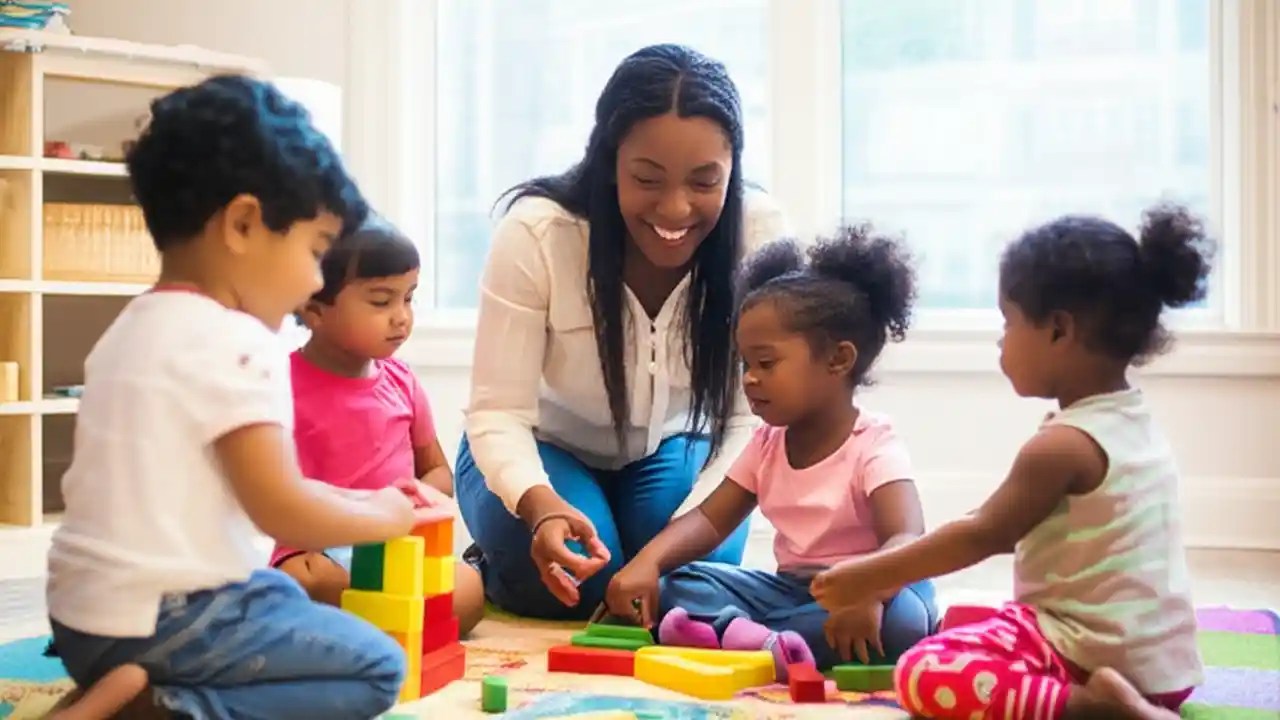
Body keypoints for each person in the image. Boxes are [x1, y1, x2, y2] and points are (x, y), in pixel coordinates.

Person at [46, 75, 417, 720]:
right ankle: (174, 709)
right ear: (244, 224)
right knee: (377, 665)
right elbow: (282, 510)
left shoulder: (130, 328)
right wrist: (386, 518)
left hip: (83, 621)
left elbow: (263, 490)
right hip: (167, 619)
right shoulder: (238, 344)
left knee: (279, 596)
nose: (312, 281)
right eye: (314, 252)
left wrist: (361, 498)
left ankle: (119, 691)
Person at [810, 204, 1214, 720]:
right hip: (1166, 672)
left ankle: (1089, 706)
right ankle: (1121, 702)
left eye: (1009, 322)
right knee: (970, 620)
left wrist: (865, 576)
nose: (1002, 341)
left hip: (1089, 655)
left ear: (1059, 331)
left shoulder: (1062, 446)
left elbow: (981, 534)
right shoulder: (1134, 422)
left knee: (922, 669)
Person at [456, 43, 790, 619]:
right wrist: (541, 508)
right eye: (647, 178)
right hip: (542, 451)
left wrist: (662, 556)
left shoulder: (759, 234)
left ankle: (631, 549)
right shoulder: (539, 233)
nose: (676, 208)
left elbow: (750, 424)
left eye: (704, 181)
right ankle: (494, 559)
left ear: (733, 167)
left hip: (672, 446)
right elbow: (498, 413)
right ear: (609, 161)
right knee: (581, 585)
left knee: (685, 585)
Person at [604, 228, 937, 676]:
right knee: (678, 584)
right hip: (794, 592)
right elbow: (708, 519)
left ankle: (742, 636)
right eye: (745, 364)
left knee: (904, 625)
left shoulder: (873, 444)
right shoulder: (766, 443)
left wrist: (869, 590)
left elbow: (907, 538)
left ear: (838, 360)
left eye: (766, 363)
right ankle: (770, 640)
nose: (748, 378)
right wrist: (646, 563)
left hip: (878, 587)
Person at [272, 217, 485, 636]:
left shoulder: (401, 382)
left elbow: (437, 471)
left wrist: (415, 499)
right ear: (313, 309)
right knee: (301, 581)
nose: (401, 317)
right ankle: (383, 623)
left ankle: (370, 624)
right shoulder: (278, 384)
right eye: (381, 301)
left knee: (471, 588)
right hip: (318, 549)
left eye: (409, 299)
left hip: (393, 545)